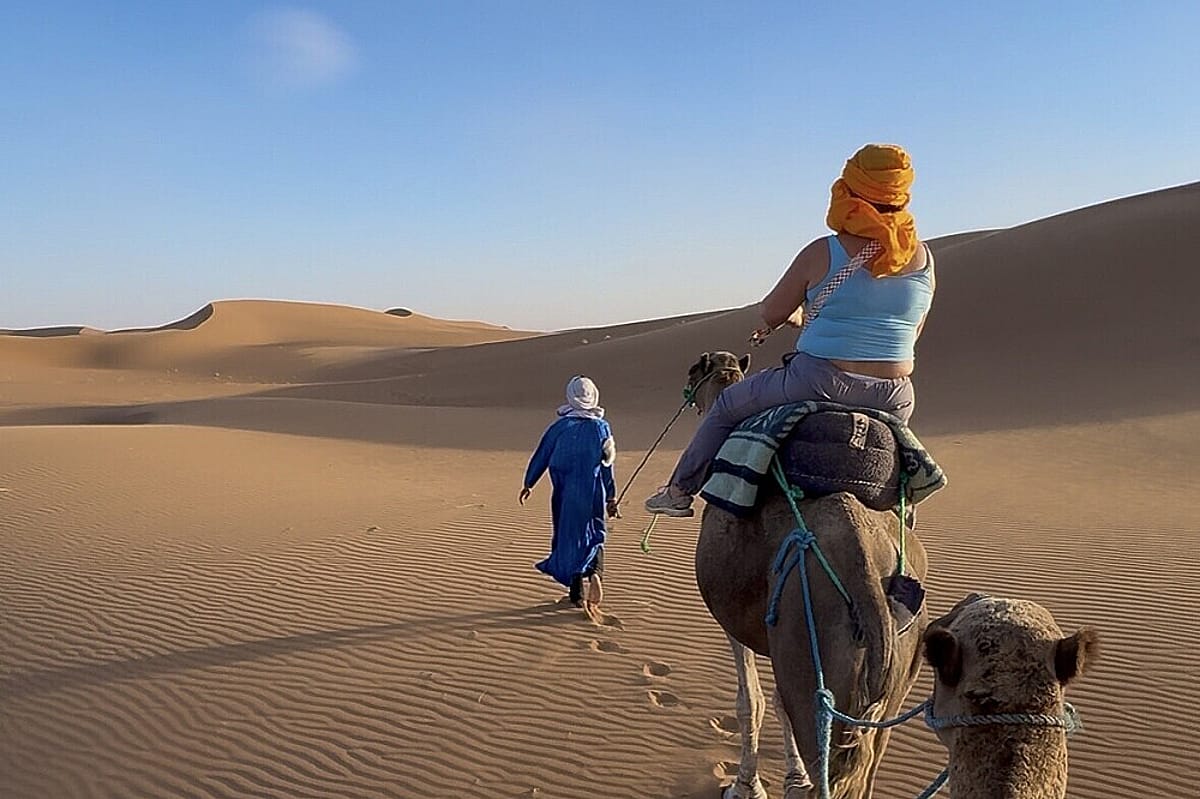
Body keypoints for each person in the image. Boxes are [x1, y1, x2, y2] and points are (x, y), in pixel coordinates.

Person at [645, 143, 936, 517]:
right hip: (895, 396)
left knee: (726, 406)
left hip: (817, 379)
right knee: (893, 452)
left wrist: (795, 316)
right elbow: (910, 334)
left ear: (849, 192)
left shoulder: (823, 251)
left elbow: (771, 312)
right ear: (900, 197)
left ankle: (679, 490)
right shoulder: (924, 260)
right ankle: (901, 511)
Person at [520, 376, 621, 609]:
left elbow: (542, 455)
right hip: (592, 493)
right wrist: (612, 496)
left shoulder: (559, 428)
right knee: (595, 534)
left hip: (565, 496)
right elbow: (608, 464)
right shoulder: (601, 427)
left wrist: (529, 483)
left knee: (569, 540)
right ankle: (595, 573)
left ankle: (576, 594)